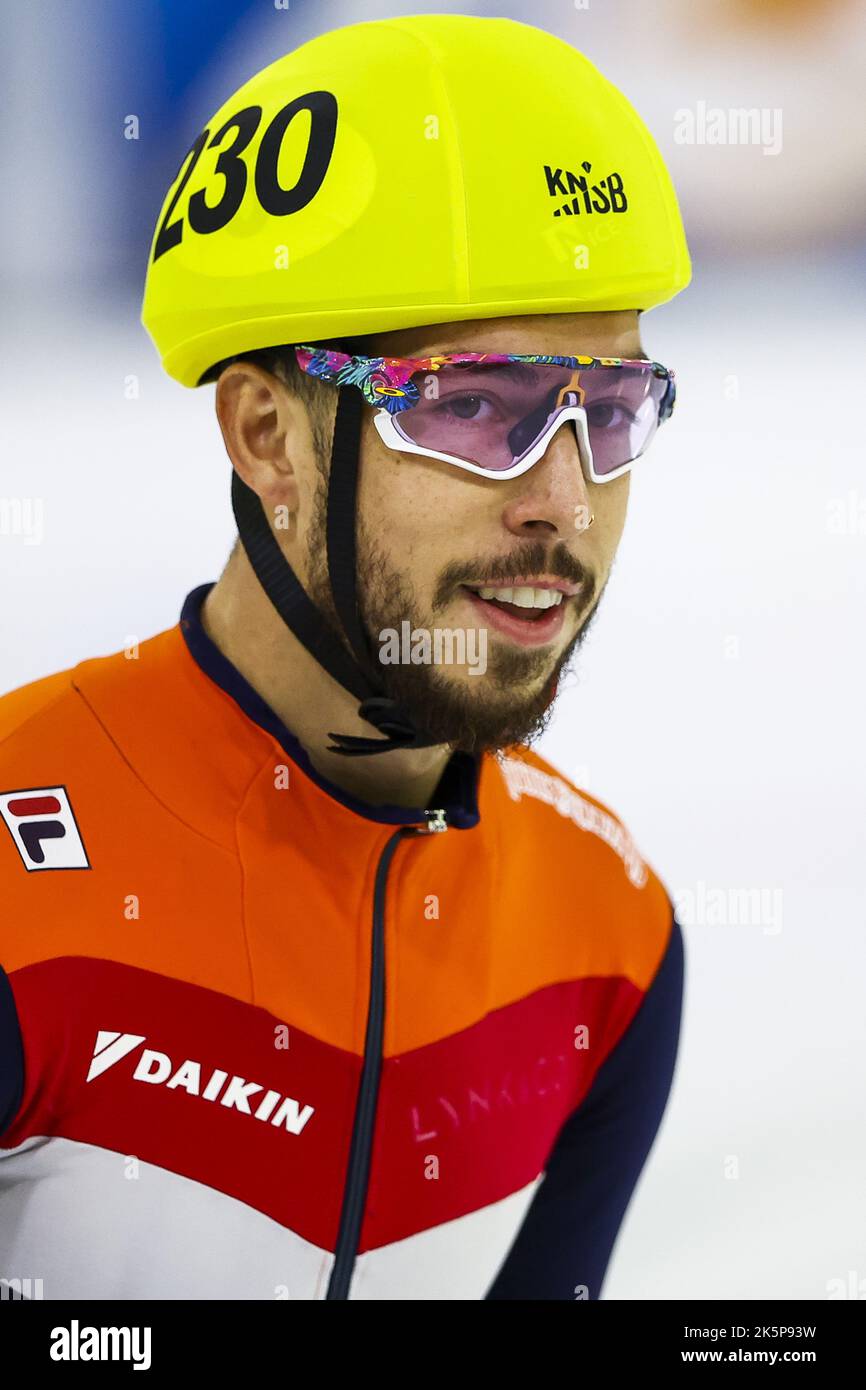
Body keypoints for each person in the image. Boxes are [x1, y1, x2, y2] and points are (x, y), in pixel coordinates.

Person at [0, 13, 690, 1300]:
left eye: (603, 412)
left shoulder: (610, 938)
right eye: (474, 407)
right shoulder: (15, 883)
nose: (564, 499)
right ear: (267, 437)